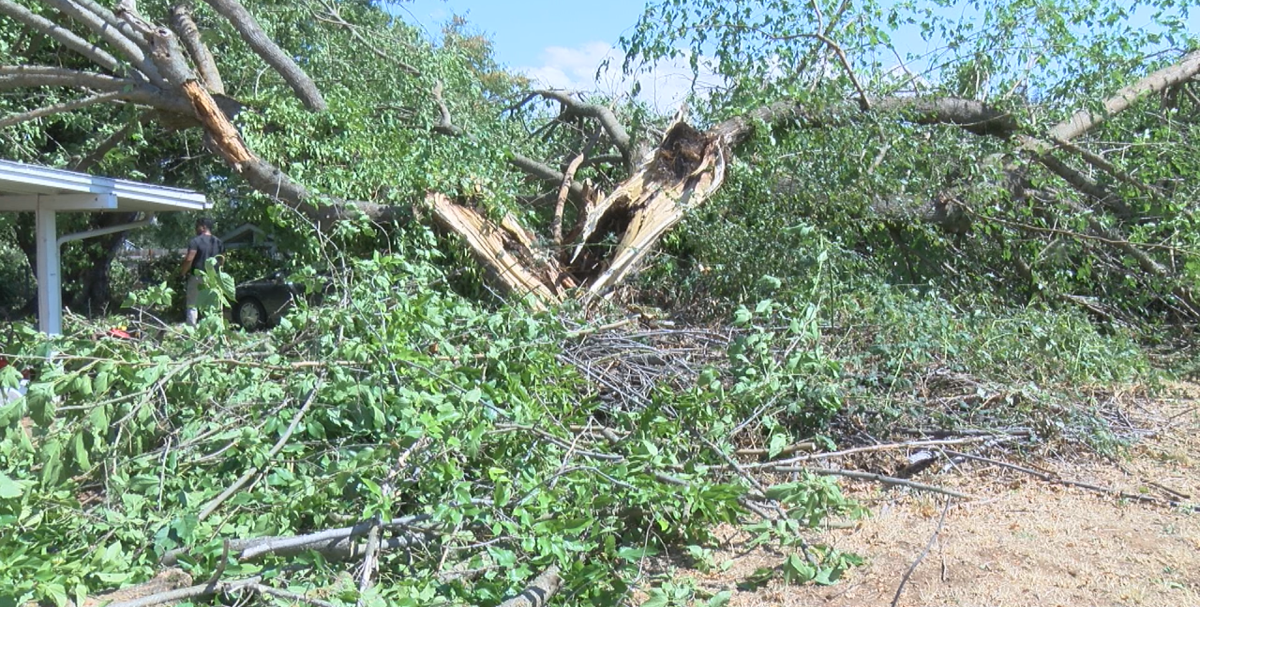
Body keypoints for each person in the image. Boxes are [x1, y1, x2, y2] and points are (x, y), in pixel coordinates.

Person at [179, 217, 225, 326]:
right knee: (210, 306)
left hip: (197, 277)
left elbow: (189, 259)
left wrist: (182, 272)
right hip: (213, 278)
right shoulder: (219, 242)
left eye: (197, 226)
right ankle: (210, 335)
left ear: (203, 227)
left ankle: (191, 333)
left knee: (192, 305)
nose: (196, 229)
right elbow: (222, 260)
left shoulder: (196, 241)